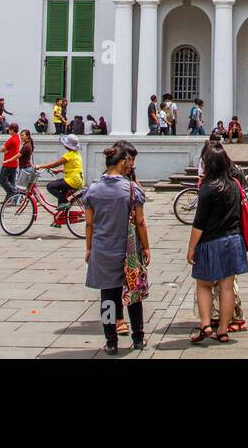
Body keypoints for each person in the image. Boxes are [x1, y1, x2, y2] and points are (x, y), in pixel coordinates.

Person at [80, 143, 149, 354]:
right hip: (127, 249)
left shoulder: (92, 190)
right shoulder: (131, 189)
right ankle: (138, 338)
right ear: (121, 162)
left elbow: (89, 224)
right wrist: (146, 247)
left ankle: (111, 341)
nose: (130, 165)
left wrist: (89, 247)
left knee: (107, 297)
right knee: (133, 294)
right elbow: (140, 221)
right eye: (128, 161)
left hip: (102, 248)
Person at [187, 144, 248, 344]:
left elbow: (199, 222)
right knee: (227, 287)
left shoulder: (207, 188)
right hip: (232, 240)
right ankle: (223, 330)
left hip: (209, 242)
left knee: (204, 285)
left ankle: (205, 323)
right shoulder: (234, 185)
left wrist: (191, 247)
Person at [40, 135, 85, 223]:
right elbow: (73, 169)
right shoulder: (77, 154)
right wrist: (59, 171)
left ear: (67, 145)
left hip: (72, 181)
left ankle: (66, 202)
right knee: (61, 194)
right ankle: (60, 218)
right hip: (78, 180)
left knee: (50, 186)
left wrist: (40, 166)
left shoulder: (68, 155)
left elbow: (54, 164)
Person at [0, 124, 21, 196]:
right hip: (14, 163)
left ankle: (14, 192)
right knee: (11, 182)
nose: (8, 130)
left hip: (8, 163)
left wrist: (5, 150)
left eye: (9, 129)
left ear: (12, 130)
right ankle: (10, 199)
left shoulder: (11, 139)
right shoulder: (17, 138)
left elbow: (1, 149)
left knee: (2, 180)